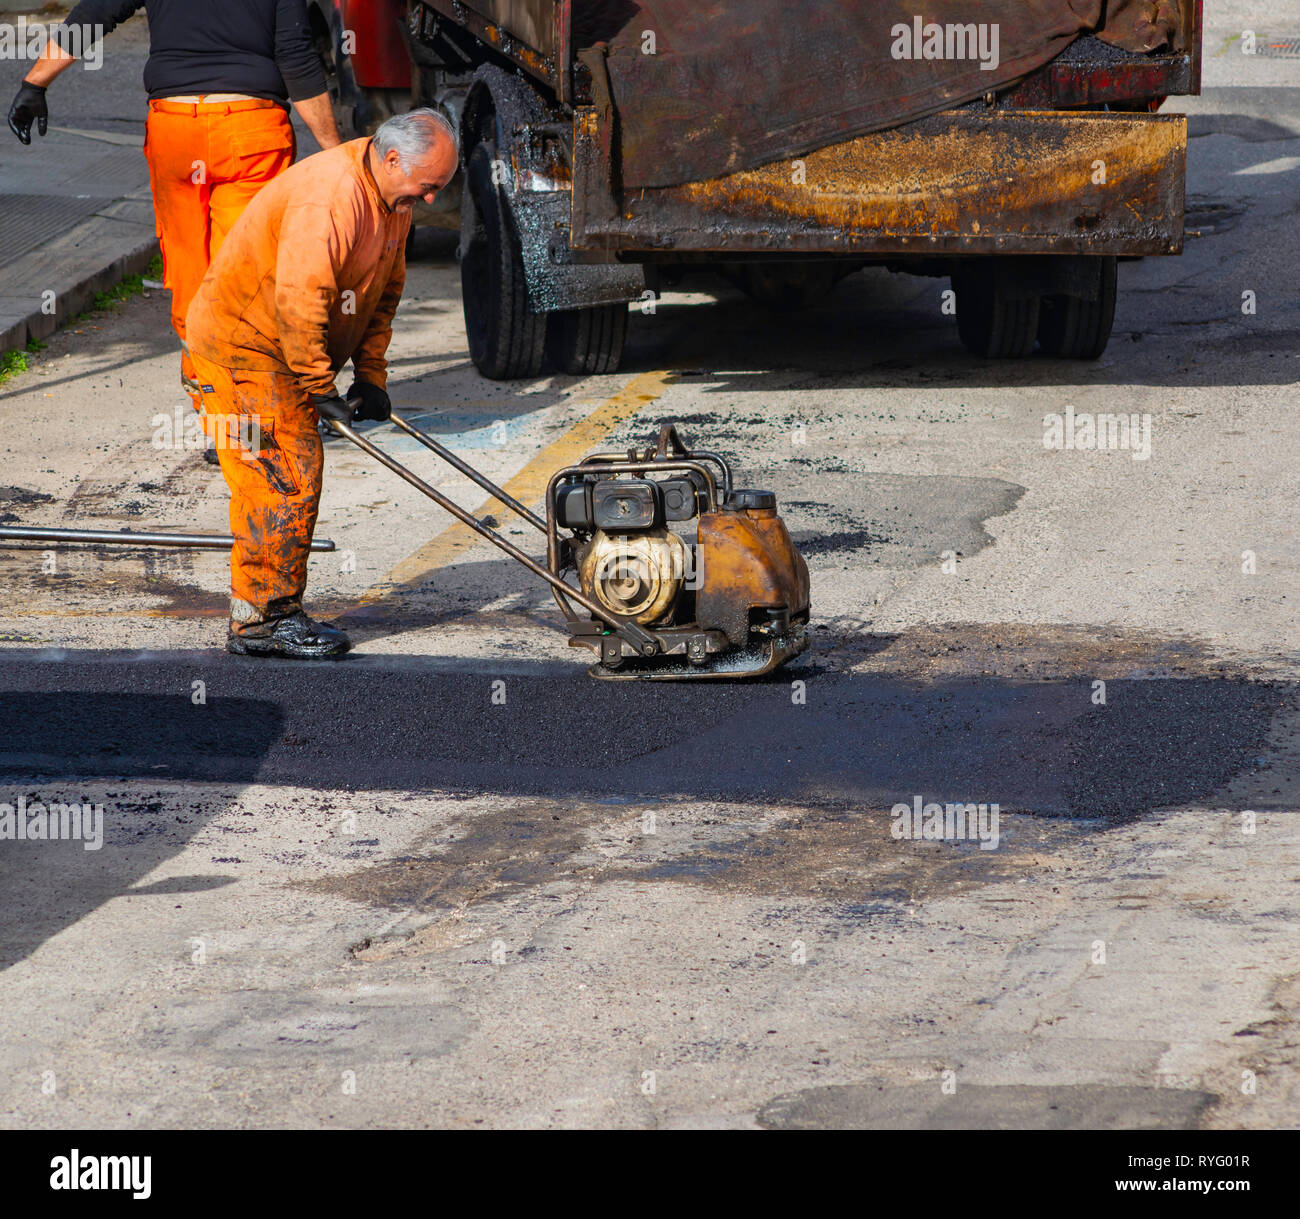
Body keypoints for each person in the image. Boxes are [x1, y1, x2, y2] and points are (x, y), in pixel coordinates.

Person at [184, 109, 458, 659]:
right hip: (244, 351)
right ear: (393, 158)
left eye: (439, 189)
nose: (430, 200)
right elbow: (300, 301)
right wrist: (321, 386)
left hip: (284, 350)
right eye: (427, 187)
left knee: (293, 471)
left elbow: (384, 292)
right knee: (283, 478)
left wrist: (371, 377)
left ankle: (270, 609)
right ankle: (262, 620)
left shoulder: (391, 199)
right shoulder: (330, 199)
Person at [6, 0, 342, 419]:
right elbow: (296, 55)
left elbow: (94, 13)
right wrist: (335, 154)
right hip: (249, 132)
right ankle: (256, 416)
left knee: (190, 279)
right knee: (245, 281)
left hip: (175, 131)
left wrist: (36, 83)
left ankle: (217, 412)